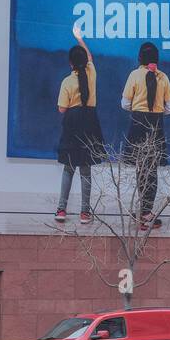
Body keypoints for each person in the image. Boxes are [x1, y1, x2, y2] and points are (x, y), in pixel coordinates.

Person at [121, 41, 170, 231]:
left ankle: (142, 212)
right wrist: (156, 112)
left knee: (141, 168)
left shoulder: (134, 75)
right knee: (151, 170)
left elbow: (124, 104)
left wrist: (138, 109)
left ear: (140, 58)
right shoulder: (164, 77)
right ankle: (147, 212)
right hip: (156, 126)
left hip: (138, 124)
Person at [54, 25, 104, 225]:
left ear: (70, 64)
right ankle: (85, 213)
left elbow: (61, 109)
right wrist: (80, 38)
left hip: (72, 124)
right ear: (85, 62)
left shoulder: (67, 81)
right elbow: (89, 57)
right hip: (90, 122)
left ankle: (61, 209)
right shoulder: (91, 74)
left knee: (68, 168)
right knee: (86, 169)